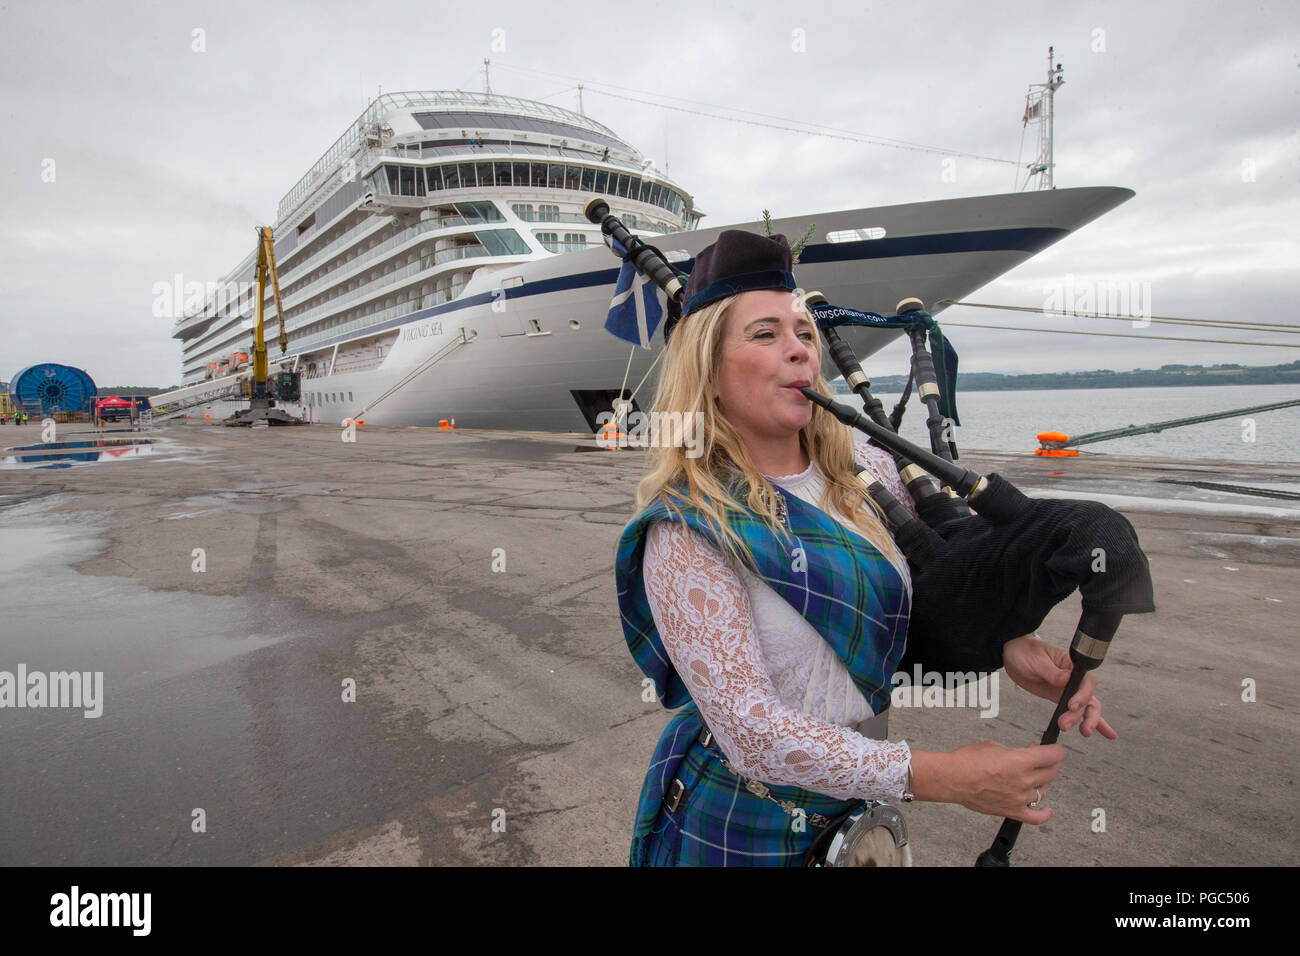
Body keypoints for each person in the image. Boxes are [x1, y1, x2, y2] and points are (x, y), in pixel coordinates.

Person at [614, 229, 1114, 866]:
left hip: (858, 799)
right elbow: (752, 731)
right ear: (709, 374)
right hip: (744, 816)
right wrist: (949, 776)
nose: (798, 352)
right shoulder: (688, 527)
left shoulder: (866, 471)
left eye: (803, 333)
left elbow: (924, 593)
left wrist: (1009, 644)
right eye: (765, 335)